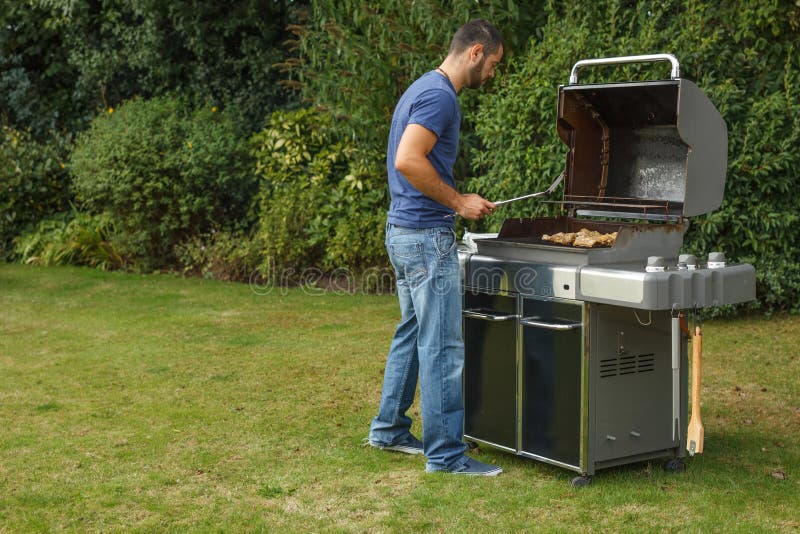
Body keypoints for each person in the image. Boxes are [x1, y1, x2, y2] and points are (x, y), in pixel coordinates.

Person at [366, 20, 504, 476]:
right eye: (493, 65)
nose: (492, 75)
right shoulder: (441, 96)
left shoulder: (421, 87)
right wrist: (458, 201)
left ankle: (388, 429)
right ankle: (446, 456)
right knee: (443, 345)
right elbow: (408, 159)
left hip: (403, 232)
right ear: (476, 51)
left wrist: (458, 201)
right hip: (425, 238)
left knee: (411, 331)